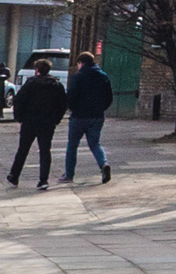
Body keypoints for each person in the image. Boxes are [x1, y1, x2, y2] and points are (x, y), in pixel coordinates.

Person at [9, 58, 66, 191]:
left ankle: (14, 175)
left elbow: (19, 100)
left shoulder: (31, 84)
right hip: (47, 123)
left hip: (30, 121)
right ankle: (43, 180)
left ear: (37, 70)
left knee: (23, 150)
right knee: (45, 150)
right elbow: (63, 104)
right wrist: (56, 119)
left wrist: (19, 118)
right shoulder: (56, 85)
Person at [59, 53, 113, 185]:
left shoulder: (78, 77)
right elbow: (109, 97)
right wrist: (101, 108)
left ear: (81, 63)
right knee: (95, 144)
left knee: (72, 145)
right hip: (97, 116)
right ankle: (103, 164)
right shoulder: (103, 76)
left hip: (79, 116)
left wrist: (72, 108)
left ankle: (69, 174)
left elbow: (71, 97)